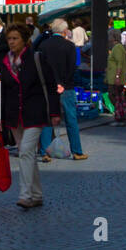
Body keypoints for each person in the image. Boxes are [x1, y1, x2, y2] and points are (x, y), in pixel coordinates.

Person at [0, 24, 61, 209]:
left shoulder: (36, 58)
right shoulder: (5, 61)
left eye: (15, 38)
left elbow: (51, 85)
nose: (12, 42)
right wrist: (0, 117)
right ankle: (37, 194)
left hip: (34, 112)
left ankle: (25, 195)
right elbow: (4, 90)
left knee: (25, 152)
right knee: (28, 154)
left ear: (24, 39)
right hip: (14, 114)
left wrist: (54, 112)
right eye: (9, 39)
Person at [37, 18, 86, 161]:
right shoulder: (69, 46)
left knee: (47, 119)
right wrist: (63, 84)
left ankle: (44, 152)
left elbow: (40, 66)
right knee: (71, 118)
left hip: (48, 87)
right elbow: (72, 67)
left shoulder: (44, 45)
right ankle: (77, 151)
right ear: (65, 31)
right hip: (66, 87)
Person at [105, 29, 126, 124]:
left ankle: (120, 116)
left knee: (114, 96)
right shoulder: (116, 47)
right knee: (118, 97)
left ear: (113, 37)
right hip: (114, 77)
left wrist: (117, 76)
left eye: (110, 36)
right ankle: (123, 115)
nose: (108, 38)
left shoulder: (117, 48)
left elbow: (120, 63)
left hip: (115, 79)